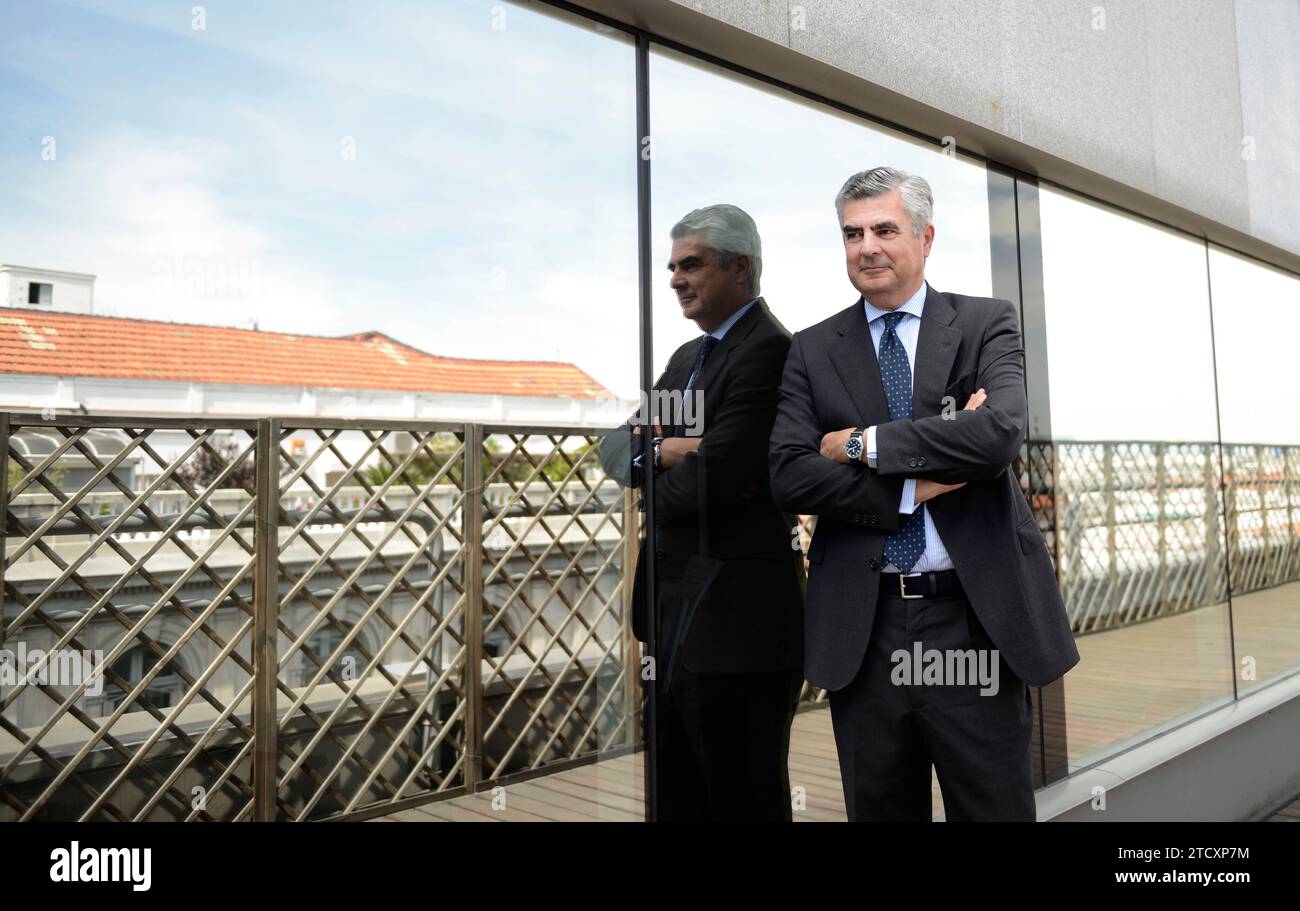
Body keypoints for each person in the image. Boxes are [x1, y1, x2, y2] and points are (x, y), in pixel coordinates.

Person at [768, 167, 1079, 821]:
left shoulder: (983, 324)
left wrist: (860, 443)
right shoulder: (812, 349)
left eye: (884, 228)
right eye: (852, 233)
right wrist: (923, 474)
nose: (866, 246)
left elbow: (997, 434)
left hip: (971, 623)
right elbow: (788, 475)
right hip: (865, 628)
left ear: (926, 235)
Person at [602, 204, 804, 820]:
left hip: (737, 629)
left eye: (691, 265)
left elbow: (718, 482)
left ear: (739, 267)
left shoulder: (771, 352)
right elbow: (614, 449)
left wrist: (660, 463)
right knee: (676, 795)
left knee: (740, 798)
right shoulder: (688, 359)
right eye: (672, 266)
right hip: (671, 620)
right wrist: (671, 448)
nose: (674, 280)